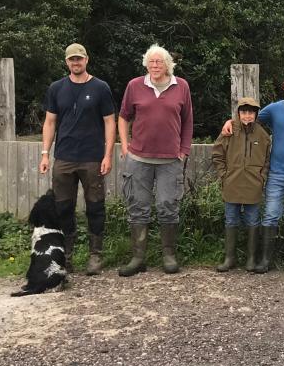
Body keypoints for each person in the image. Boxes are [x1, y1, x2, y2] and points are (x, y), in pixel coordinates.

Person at [222, 71, 284, 273]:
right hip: (276, 173)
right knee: (270, 215)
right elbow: (248, 118)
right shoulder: (273, 110)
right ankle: (265, 260)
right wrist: (229, 121)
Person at [39, 43, 116, 276]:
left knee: (95, 207)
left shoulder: (101, 87)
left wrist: (107, 154)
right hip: (64, 158)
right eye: (72, 60)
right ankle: (66, 256)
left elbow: (110, 122)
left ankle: (95, 255)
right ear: (66, 62)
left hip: (92, 158)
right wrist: (45, 154)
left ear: (87, 60)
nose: (76, 63)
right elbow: (50, 122)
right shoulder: (56, 88)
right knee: (63, 208)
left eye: (79, 59)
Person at [117, 44, 193, 276]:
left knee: (168, 207)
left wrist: (183, 150)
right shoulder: (135, 86)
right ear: (146, 64)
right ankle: (138, 257)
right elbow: (123, 116)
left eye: (160, 61)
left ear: (168, 64)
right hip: (139, 159)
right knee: (138, 207)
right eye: (151, 62)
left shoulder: (181, 87)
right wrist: (125, 144)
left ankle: (169, 255)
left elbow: (188, 121)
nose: (155, 65)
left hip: (170, 160)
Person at [211, 97, 271, 272]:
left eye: (251, 112)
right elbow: (217, 155)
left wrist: (262, 177)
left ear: (256, 114)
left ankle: (251, 259)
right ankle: (230, 258)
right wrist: (224, 176)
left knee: (253, 221)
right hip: (232, 185)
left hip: (253, 186)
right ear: (238, 113)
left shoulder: (263, 135)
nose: (247, 116)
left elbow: (267, 160)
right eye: (244, 112)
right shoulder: (229, 131)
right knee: (231, 220)